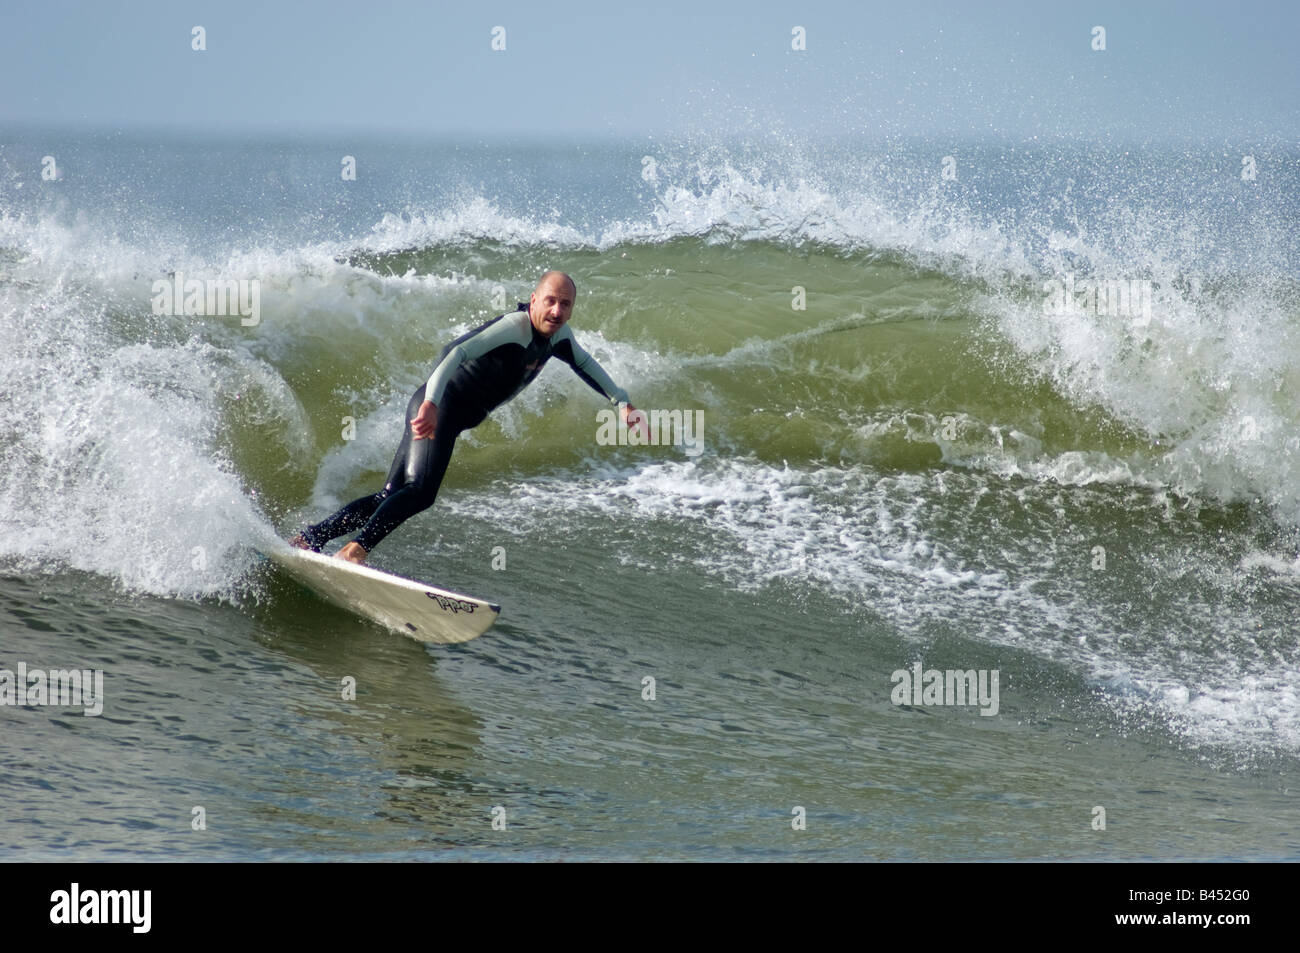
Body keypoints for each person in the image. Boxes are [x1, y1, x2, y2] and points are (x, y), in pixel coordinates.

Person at [289, 271, 641, 564]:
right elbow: (454, 352)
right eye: (550, 300)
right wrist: (431, 401)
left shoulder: (559, 337)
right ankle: (354, 551)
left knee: (390, 495)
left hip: (446, 415)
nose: (557, 310)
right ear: (534, 299)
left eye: (565, 304)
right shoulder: (515, 327)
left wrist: (621, 402)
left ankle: (309, 539)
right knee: (421, 493)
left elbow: (584, 364)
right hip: (437, 409)